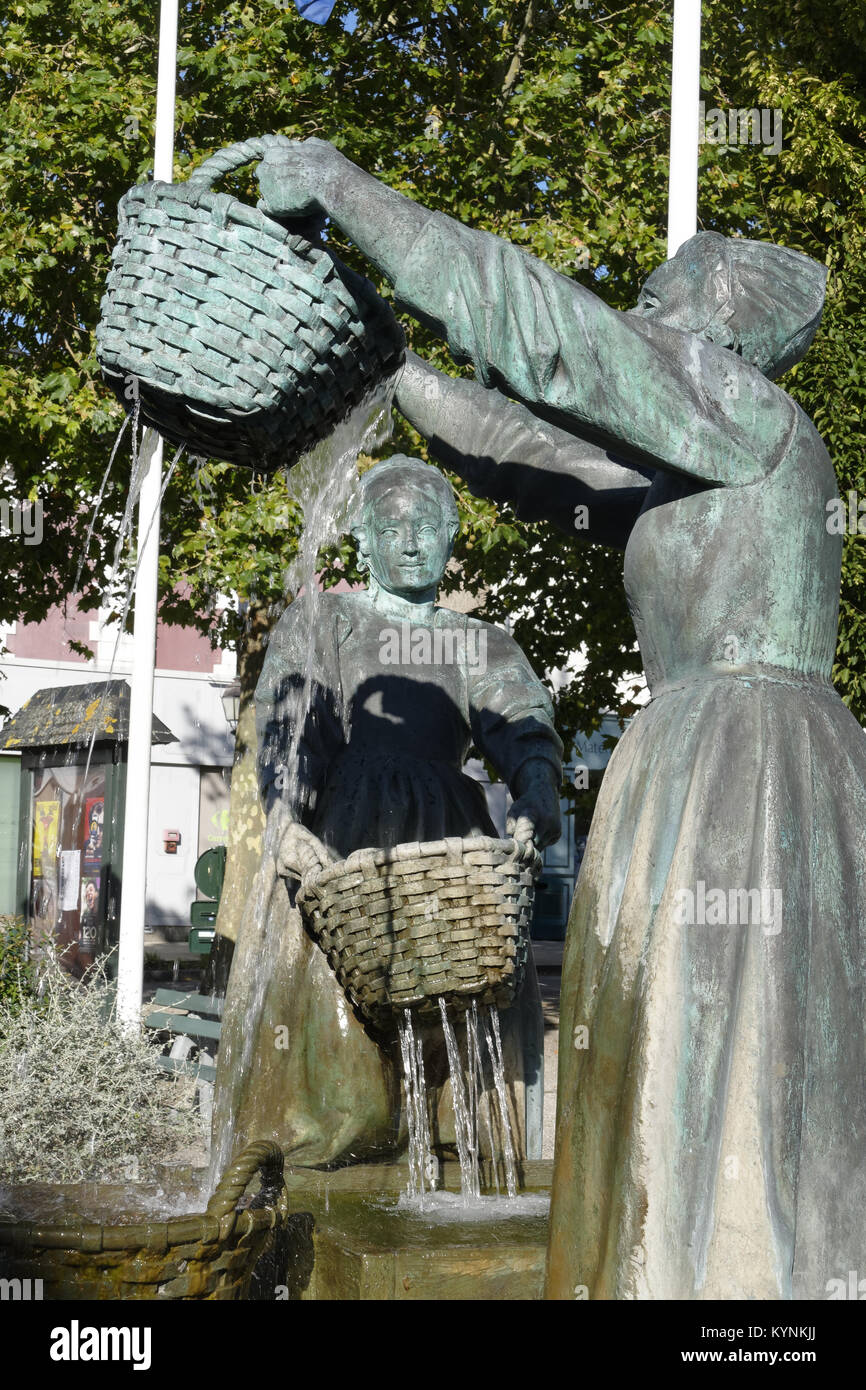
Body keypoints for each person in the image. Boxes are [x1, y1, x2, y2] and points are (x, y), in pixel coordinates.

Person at [254, 139, 866, 1299]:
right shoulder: (690, 458)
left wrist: (345, 183)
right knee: (677, 1054)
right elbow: (530, 453)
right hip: (704, 758)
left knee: (729, 1056)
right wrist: (390, 369)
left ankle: (738, 1290)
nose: (637, 304)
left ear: (720, 330)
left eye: (663, 290)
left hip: (746, 772)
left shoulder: (748, 412)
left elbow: (547, 332)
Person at [213, 455, 562, 1168]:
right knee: (348, 1086)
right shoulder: (326, 620)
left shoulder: (479, 643)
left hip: (448, 865)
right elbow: (290, 730)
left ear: (451, 537)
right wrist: (288, 823)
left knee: (459, 1054)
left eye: (427, 526)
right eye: (392, 526)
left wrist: (535, 793)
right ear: (362, 537)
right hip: (346, 855)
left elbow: (524, 722)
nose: (410, 542)